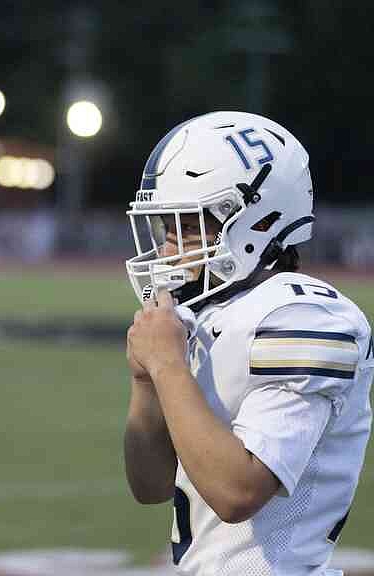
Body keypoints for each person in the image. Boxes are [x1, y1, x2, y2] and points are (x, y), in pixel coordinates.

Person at [123, 111, 373, 575]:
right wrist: (146, 380)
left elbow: (237, 493)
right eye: (165, 230)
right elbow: (150, 485)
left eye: (189, 227)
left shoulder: (305, 317)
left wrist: (168, 366)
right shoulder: (209, 316)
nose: (169, 251)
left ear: (258, 222)